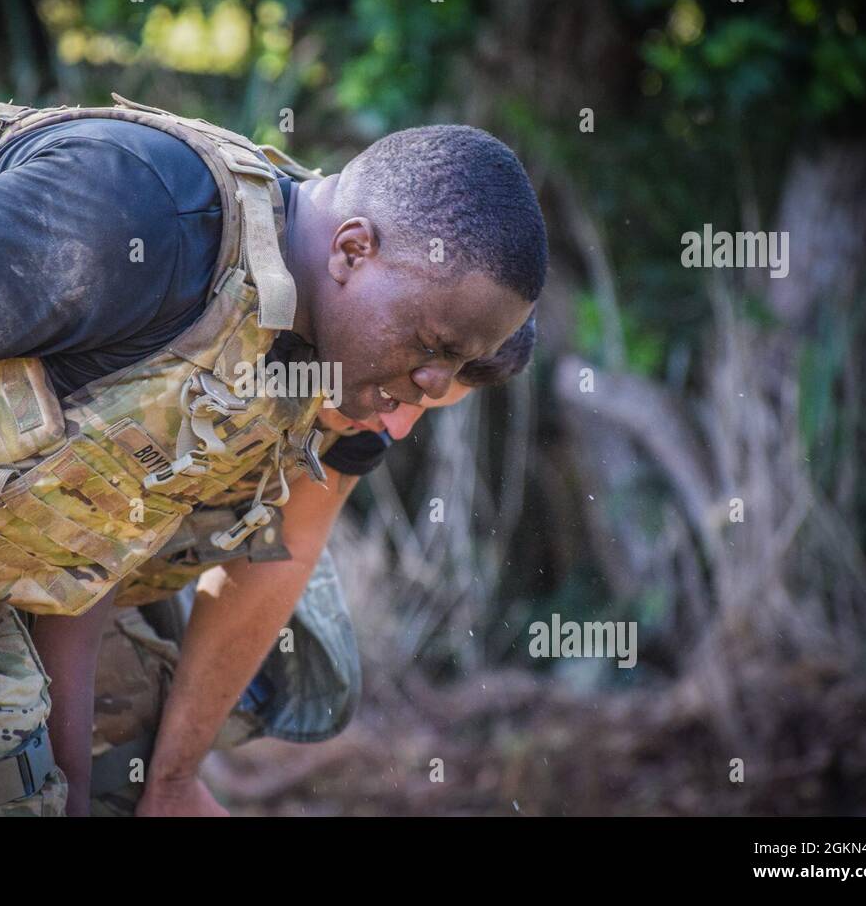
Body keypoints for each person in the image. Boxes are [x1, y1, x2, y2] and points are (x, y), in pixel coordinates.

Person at [0, 94, 545, 816]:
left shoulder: (294, 350)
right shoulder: (158, 210)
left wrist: (68, 784)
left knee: (8, 792)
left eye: (458, 368)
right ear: (354, 249)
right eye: (431, 343)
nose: (433, 387)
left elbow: (83, 537)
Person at [85, 316, 537, 815]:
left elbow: (281, 555)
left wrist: (175, 777)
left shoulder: (367, 422)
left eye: (423, 411)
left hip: (130, 576)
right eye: (405, 398)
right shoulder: (234, 316)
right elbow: (80, 538)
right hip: (39, 550)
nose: (399, 425)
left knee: (129, 756)